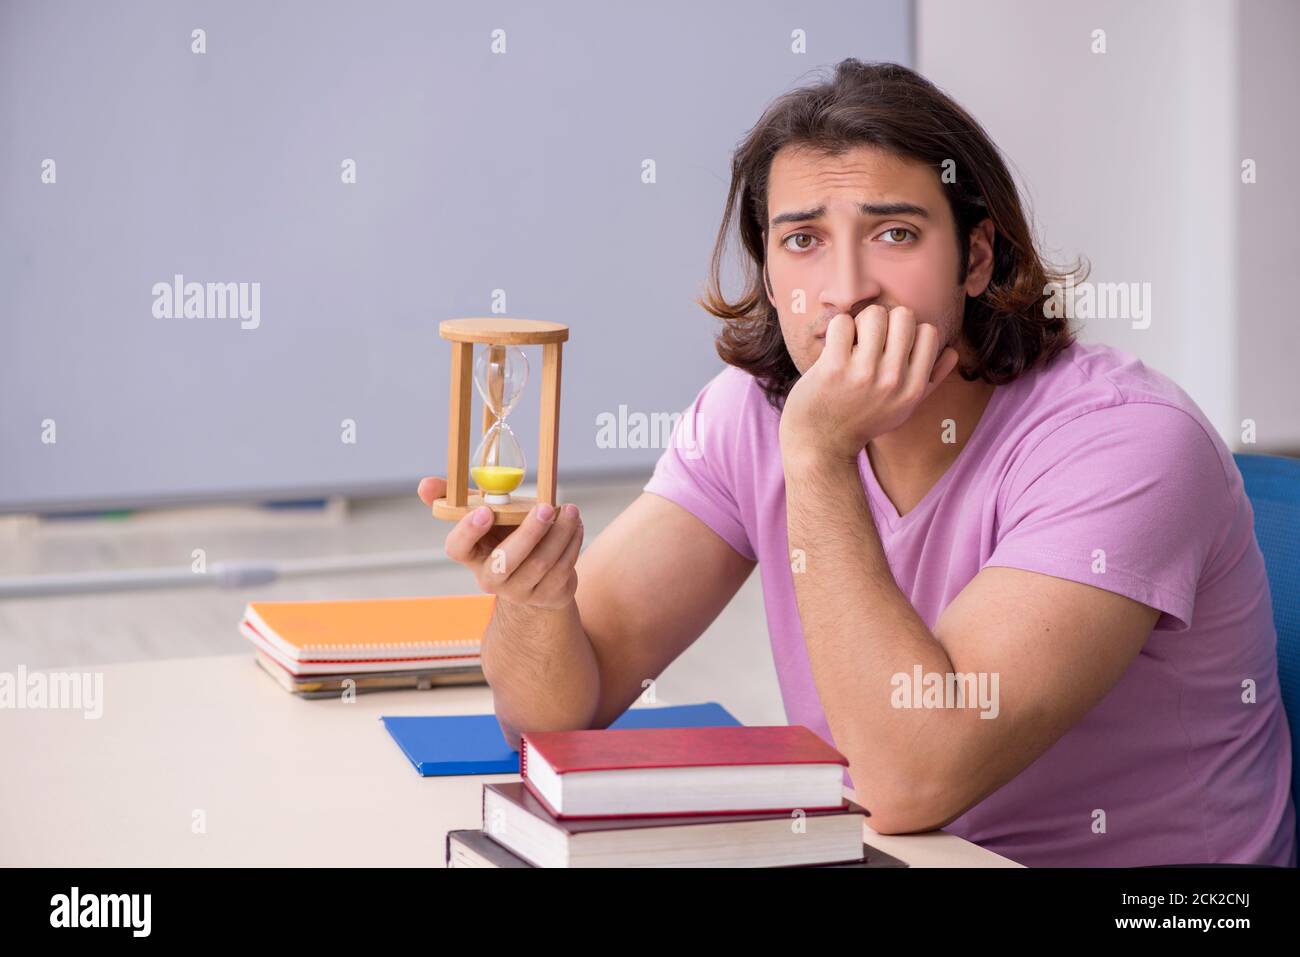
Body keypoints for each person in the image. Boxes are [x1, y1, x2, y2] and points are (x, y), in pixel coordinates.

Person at [417, 60, 1294, 867]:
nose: (846, 290)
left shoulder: (1126, 441)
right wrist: (535, 604)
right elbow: (554, 713)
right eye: (802, 241)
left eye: (895, 234)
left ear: (977, 258)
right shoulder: (752, 414)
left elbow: (909, 781)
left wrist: (822, 454)